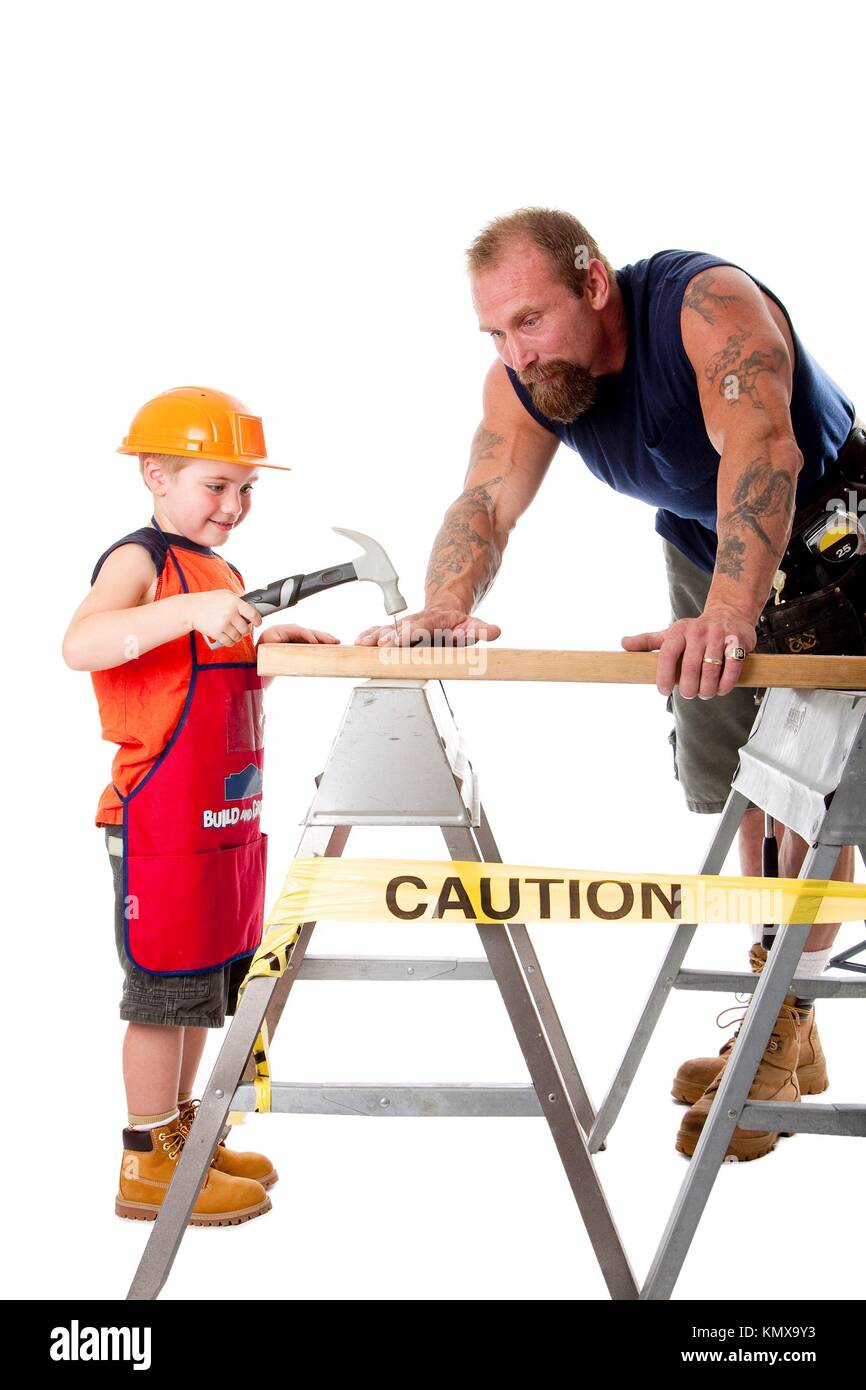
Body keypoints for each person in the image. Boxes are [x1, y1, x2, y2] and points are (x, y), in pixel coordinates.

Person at [356, 207, 866, 1162]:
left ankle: (782, 1018)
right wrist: (443, 601)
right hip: (706, 546)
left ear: (595, 282)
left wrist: (730, 614)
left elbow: (765, 450)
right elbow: (485, 499)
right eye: (496, 332)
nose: (516, 351)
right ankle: (782, 1021)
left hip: (835, 527)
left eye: (531, 320)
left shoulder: (706, 306)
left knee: (811, 794)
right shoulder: (530, 381)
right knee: (746, 796)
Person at [63, 386, 339, 1223]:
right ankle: (147, 1158)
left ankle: (185, 1130)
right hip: (158, 828)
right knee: (160, 994)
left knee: (198, 991)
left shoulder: (223, 573)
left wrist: (263, 643)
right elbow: (80, 642)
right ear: (156, 475)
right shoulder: (142, 560)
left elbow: (199, 668)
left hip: (223, 824)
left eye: (247, 489)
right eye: (216, 485)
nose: (235, 505)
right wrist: (189, 608)